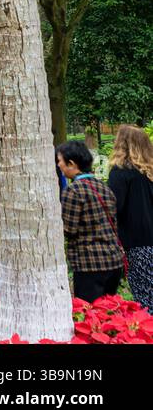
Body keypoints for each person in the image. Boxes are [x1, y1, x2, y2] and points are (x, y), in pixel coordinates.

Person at [56, 139, 125, 302]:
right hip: (113, 261)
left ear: (71, 163)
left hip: (89, 264)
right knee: (108, 313)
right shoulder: (103, 187)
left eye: (59, 161)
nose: (58, 165)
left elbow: (68, 229)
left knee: (90, 314)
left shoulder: (73, 191)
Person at [108, 125, 153, 312]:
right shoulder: (150, 172)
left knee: (145, 296)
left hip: (138, 243)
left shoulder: (120, 173)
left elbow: (113, 207)